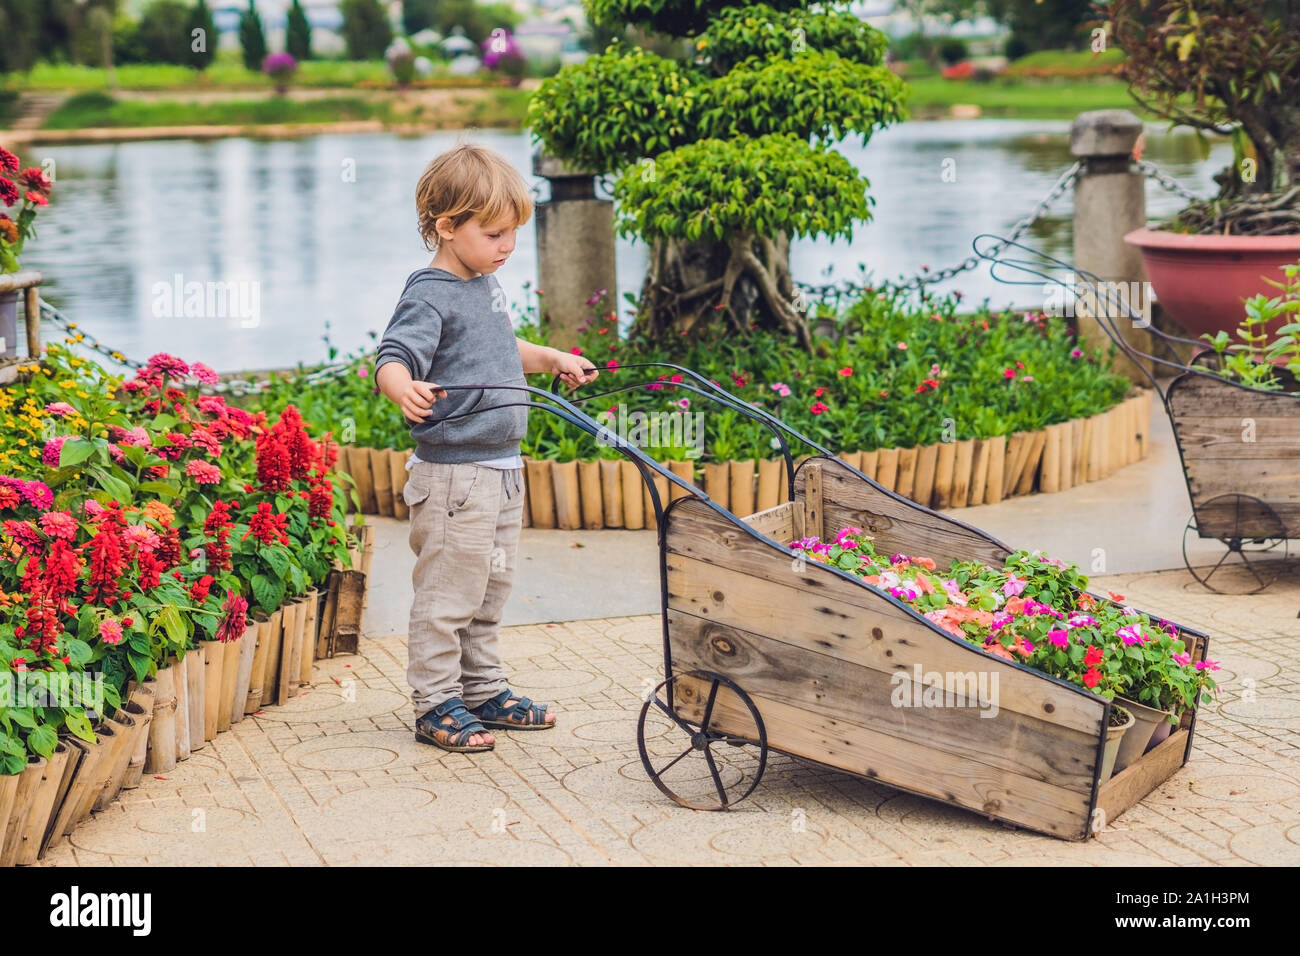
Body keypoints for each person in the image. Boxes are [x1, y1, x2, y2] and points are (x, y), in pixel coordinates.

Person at [374, 142, 597, 752]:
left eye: (513, 234)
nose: (508, 246)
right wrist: (404, 390)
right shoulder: (431, 291)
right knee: (449, 592)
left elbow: (500, 347)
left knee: (489, 589)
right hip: (454, 478)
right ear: (447, 227)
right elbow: (392, 357)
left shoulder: (481, 285)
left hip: (500, 470)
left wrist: (551, 357)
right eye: (495, 233)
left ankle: (482, 689)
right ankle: (436, 702)